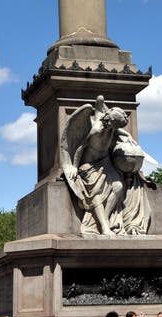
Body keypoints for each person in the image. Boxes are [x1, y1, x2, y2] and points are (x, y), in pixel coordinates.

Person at [61, 96, 150, 237]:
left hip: (105, 162)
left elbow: (102, 105)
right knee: (96, 193)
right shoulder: (96, 129)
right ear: (109, 121)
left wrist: (129, 137)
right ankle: (103, 227)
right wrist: (73, 167)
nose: (114, 129)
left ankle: (106, 219)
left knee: (118, 187)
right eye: (113, 126)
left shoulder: (111, 125)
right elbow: (80, 147)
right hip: (89, 165)